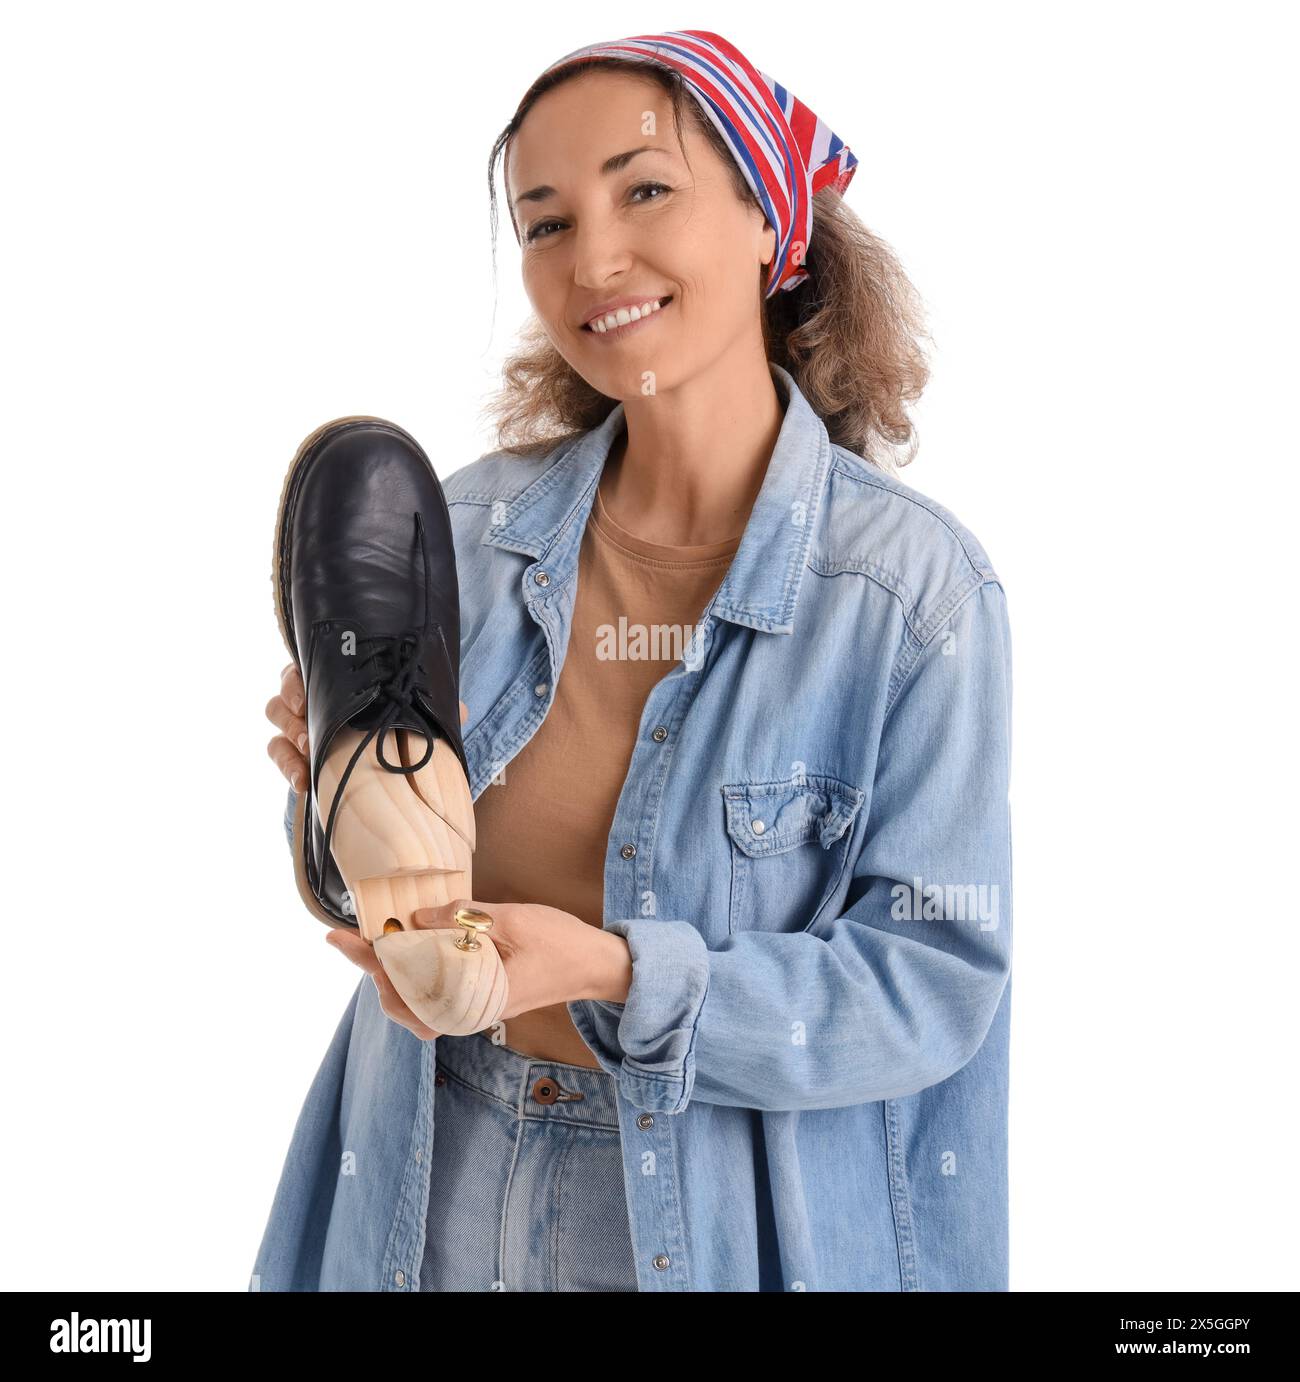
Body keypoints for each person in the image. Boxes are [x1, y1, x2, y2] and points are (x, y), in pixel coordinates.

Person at [256, 29, 1013, 1293]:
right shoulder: (466, 531)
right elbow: (363, 900)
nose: (592, 257)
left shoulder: (911, 596)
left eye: (642, 189)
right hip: (427, 1167)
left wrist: (614, 971)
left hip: (700, 1213)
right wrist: (336, 808)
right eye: (544, 223)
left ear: (771, 220)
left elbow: (930, 984)